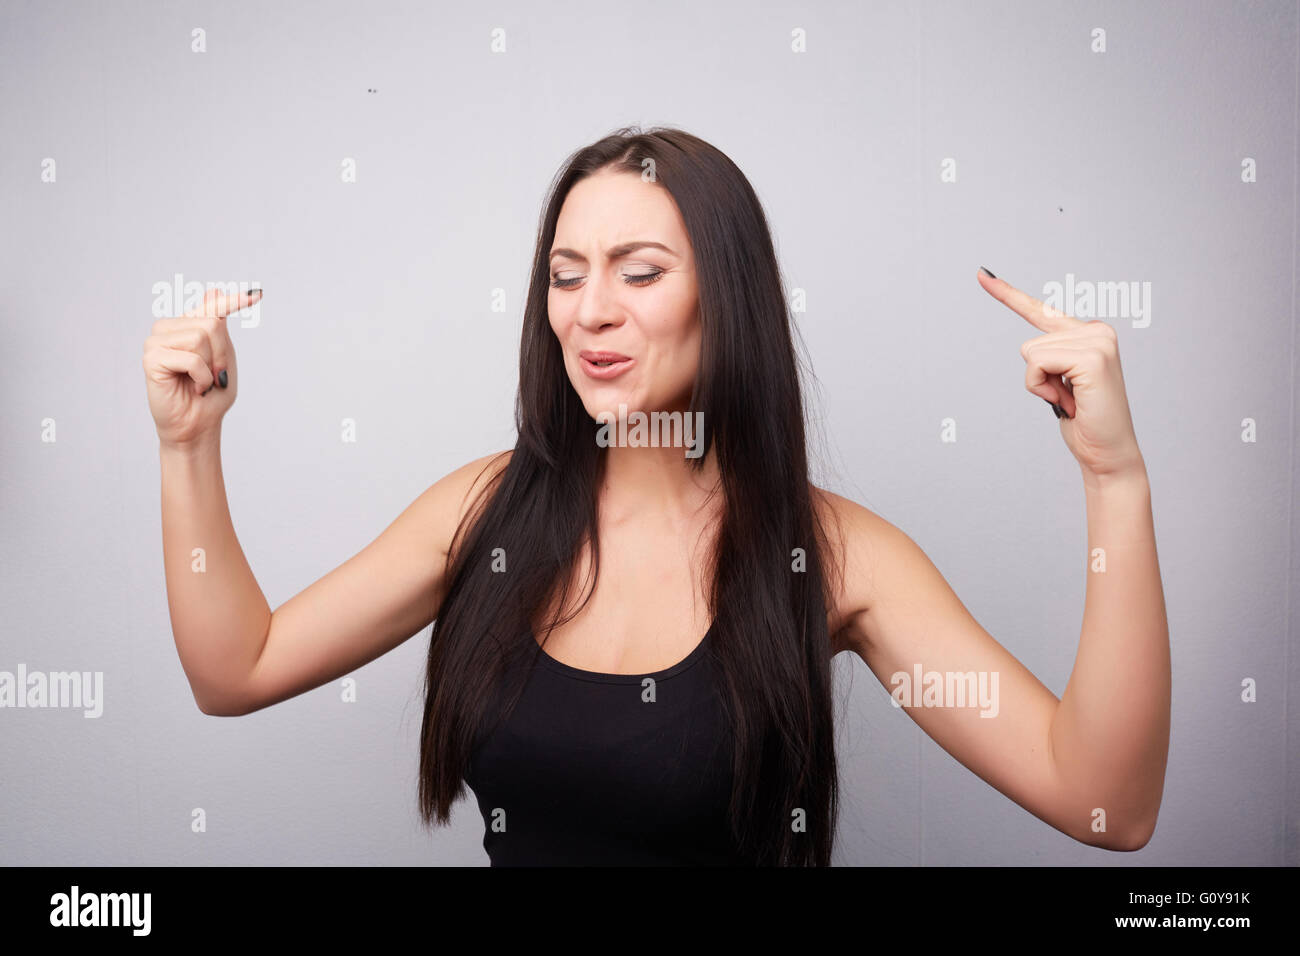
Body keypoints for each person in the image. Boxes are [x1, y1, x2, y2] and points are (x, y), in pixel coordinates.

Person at [142, 126, 1169, 866]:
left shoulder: (839, 557)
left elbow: (1104, 805)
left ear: (727, 297)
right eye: (565, 272)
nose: (591, 310)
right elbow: (239, 668)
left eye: (639, 273)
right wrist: (189, 440)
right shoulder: (483, 514)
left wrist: (1112, 476)